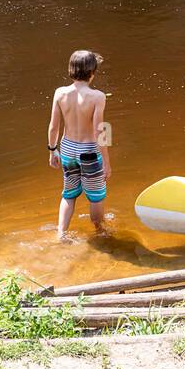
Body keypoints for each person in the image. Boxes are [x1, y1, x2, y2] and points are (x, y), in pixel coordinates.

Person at [47, 50, 110, 238]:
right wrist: (106, 161)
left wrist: (52, 150)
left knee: (69, 193)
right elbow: (101, 130)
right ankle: (100, 232)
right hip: (89, 150)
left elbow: (53, 127)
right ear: (92, 73)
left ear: (71, 69)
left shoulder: (60, 93)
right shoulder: (98, 96)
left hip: (67, 148)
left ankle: (61, 233)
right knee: (96, 196)